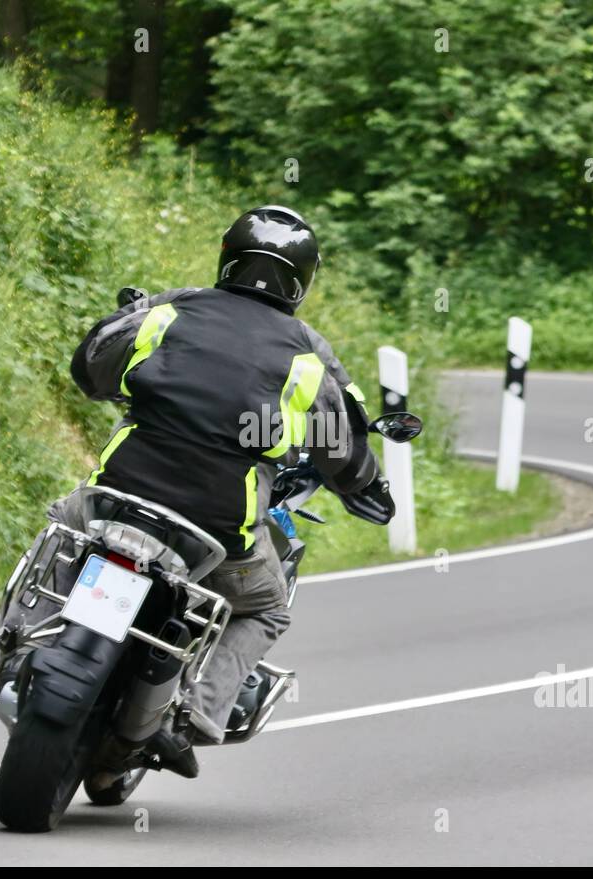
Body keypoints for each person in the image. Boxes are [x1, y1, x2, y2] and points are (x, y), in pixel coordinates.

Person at [60, 204, 392, 776]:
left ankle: (27, 632)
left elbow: (91, 369)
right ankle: (192, 718)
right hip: (217, 528)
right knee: (265, 608)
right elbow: (340, 449)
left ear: (228, 259)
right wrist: (365, 484)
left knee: (60, 531)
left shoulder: (170, 311)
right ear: (302, 281)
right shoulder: (306, 360)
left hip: (116, 495)